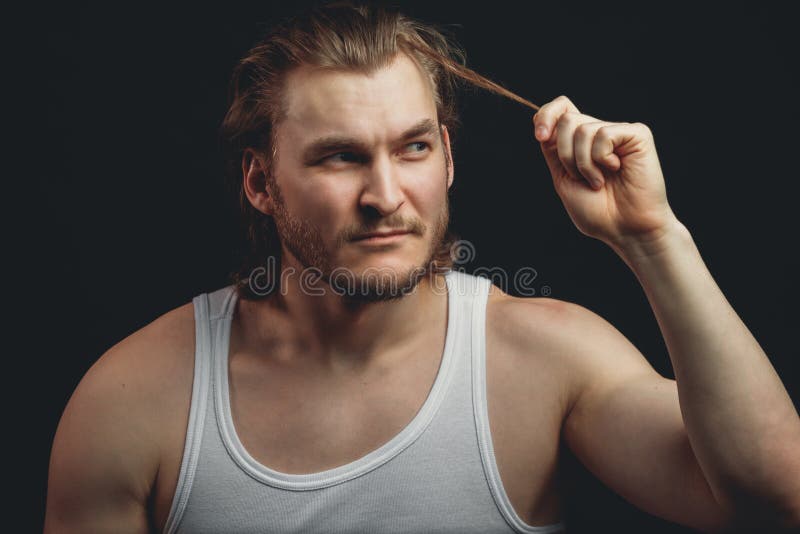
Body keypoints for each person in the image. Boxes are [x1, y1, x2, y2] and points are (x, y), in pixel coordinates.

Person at [44, 2, 800, 533]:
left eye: (412, 148)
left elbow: (774, 499)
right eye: (340, 157)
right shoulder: (133, 400)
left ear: (446, 157)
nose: (384, 195)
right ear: (260, 183)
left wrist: (653, 238)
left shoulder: (546, 359)